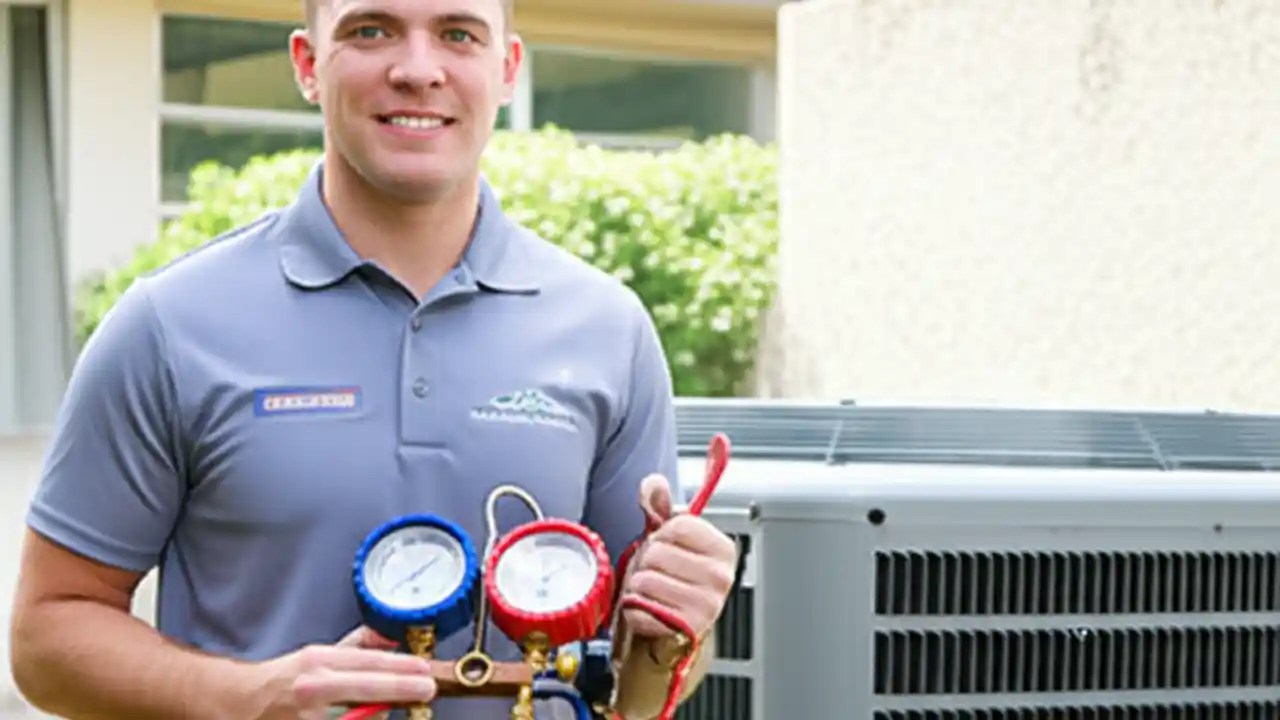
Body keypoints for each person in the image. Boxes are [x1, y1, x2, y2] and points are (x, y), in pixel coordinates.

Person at [7, 0, 740, 718]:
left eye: (458, 33)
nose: (418, 70)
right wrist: (243, 699)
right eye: (370, 30)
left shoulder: (606, 330)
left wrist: (673, 631)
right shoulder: (169, 325)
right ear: (308, 64)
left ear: (508, 69)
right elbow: (47, 636)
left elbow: (632, 699)